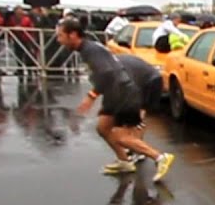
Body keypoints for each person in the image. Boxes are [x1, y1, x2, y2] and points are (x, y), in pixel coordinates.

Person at [56, 16, 175, 180]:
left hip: (123, 93)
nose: (58, 40)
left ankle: (160, 158)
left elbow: (107, 73)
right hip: (114, 93)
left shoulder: (91, 50)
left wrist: (91, 96)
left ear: (73, 34)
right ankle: (124, 162)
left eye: (60, 35)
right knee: (103, 128)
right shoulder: (87, 48)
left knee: (122, 136)